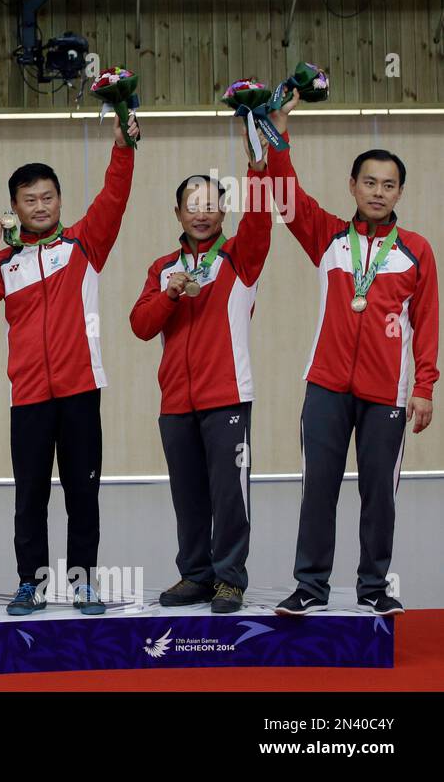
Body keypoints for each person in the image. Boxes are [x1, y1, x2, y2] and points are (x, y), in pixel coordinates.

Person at [264, 95, 437, 617]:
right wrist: (279, 131)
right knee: (317, 490)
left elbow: (426, 324)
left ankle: (373, 587)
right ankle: (310, 587)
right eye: (369, 182)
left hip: (389, 391)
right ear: (353, 186)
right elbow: (284, 194)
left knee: (378, 495)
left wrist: (424, 387)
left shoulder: (416, 250)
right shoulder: (327, 238)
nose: (378, 192)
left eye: (388, 185)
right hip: (326, 387)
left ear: (400, 191)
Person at [0, 112, 139, 616]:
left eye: (48, 197)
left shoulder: (84, 242)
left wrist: (124, 147)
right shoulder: (6, 260)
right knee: (30, 499)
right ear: (15, 207)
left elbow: (114, 197)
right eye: (29, 200)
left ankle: (84, 583)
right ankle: (31, 584)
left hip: (81, 390)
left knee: (82, 495)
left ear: (59, 200)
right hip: (29, 398)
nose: (40, 207)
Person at [129, 125, 271, 614]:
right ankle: (195, 574)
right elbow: (141, 326)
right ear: (178, 213)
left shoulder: (241, 258)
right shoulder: (163, 267)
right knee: (188, 497)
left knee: (229, 497)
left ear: (223, 211)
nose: (203, 212)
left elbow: (260, 221)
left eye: (211, 204)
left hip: (227, 397)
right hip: (175, 403)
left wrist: (257, 168)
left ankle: (230, 578)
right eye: (193, 203)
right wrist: (170, 291)